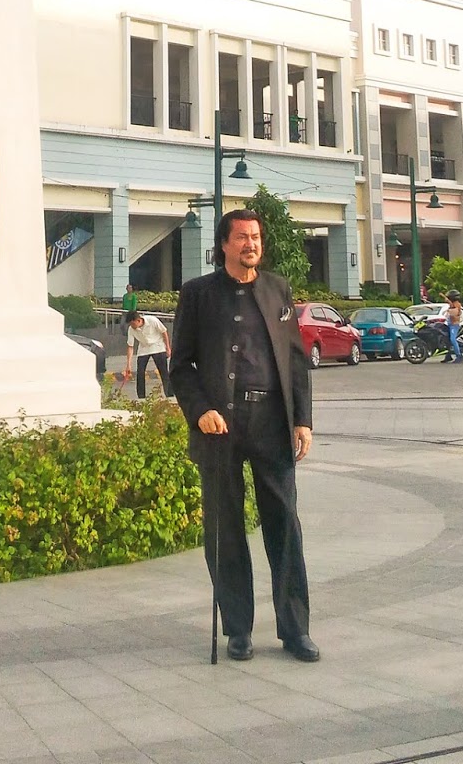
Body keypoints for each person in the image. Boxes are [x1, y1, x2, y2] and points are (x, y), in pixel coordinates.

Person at [170, 207, 318, 663]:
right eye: (242, 237)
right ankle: (238, 629)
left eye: (255, 237)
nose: (251, 244)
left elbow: (295, 360)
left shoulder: (278, 289)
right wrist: (200, 411)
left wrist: (302, 419)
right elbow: (181, 367)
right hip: (220, 427)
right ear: (224, 245)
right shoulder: (198, 294)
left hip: (271, 421)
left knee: (284, 524)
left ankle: (295, 629)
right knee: (225, 529)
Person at [124, 309, 173, 399]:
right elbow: (130, 346)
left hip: (158, 346)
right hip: (144, 348)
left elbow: (164, 331)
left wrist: (168, 348)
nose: (132, 326)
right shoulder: (131, 329)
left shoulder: (152, 320)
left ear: (138, 320)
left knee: (163, 372)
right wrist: (128, 365)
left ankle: (169, 395)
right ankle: (141, 397)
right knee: (140, 372)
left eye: (133, 324)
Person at [444, 291, 463, 363]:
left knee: (452, 339)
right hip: (450, 324)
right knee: (446, 339)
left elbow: (454, 312)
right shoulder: (453, 304)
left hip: (454, 325)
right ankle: (448, 355)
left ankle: (459, 356)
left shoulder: (457, 304)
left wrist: (448, 310)